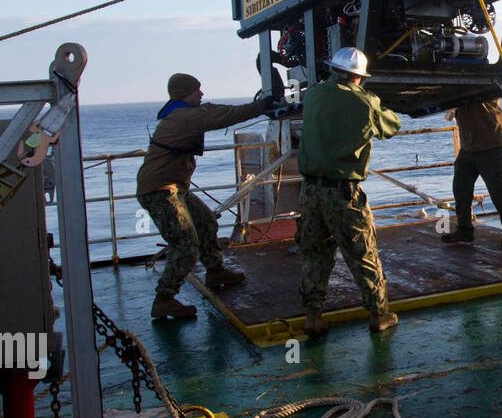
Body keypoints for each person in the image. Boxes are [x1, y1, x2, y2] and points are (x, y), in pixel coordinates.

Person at [136, 74, 270, 320]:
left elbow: (213, 109)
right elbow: (222, 116)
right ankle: (164, 299)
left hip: (175, 187)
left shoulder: (183, 113)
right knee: (185, 243)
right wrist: (262, 106)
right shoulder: (184, 118)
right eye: (197, 90)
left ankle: (215, 270)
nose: (202, 94)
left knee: (206, 221)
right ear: (185, 93)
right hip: (159, 190)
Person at [295, 47, 401, 337]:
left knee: (315, 251)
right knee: (361, 252)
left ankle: (313, 316)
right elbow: (391, 126)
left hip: (310, 191)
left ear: (333, 70)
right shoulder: (365, 102)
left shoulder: (313, 95)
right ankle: (379, 314)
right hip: (342, 193)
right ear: (358, 78)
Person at [441, 97, 502, 249]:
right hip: (468, 144)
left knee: (499, 190)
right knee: (460, 188)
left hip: (489, 143)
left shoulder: (482, 81)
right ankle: (464, 229)